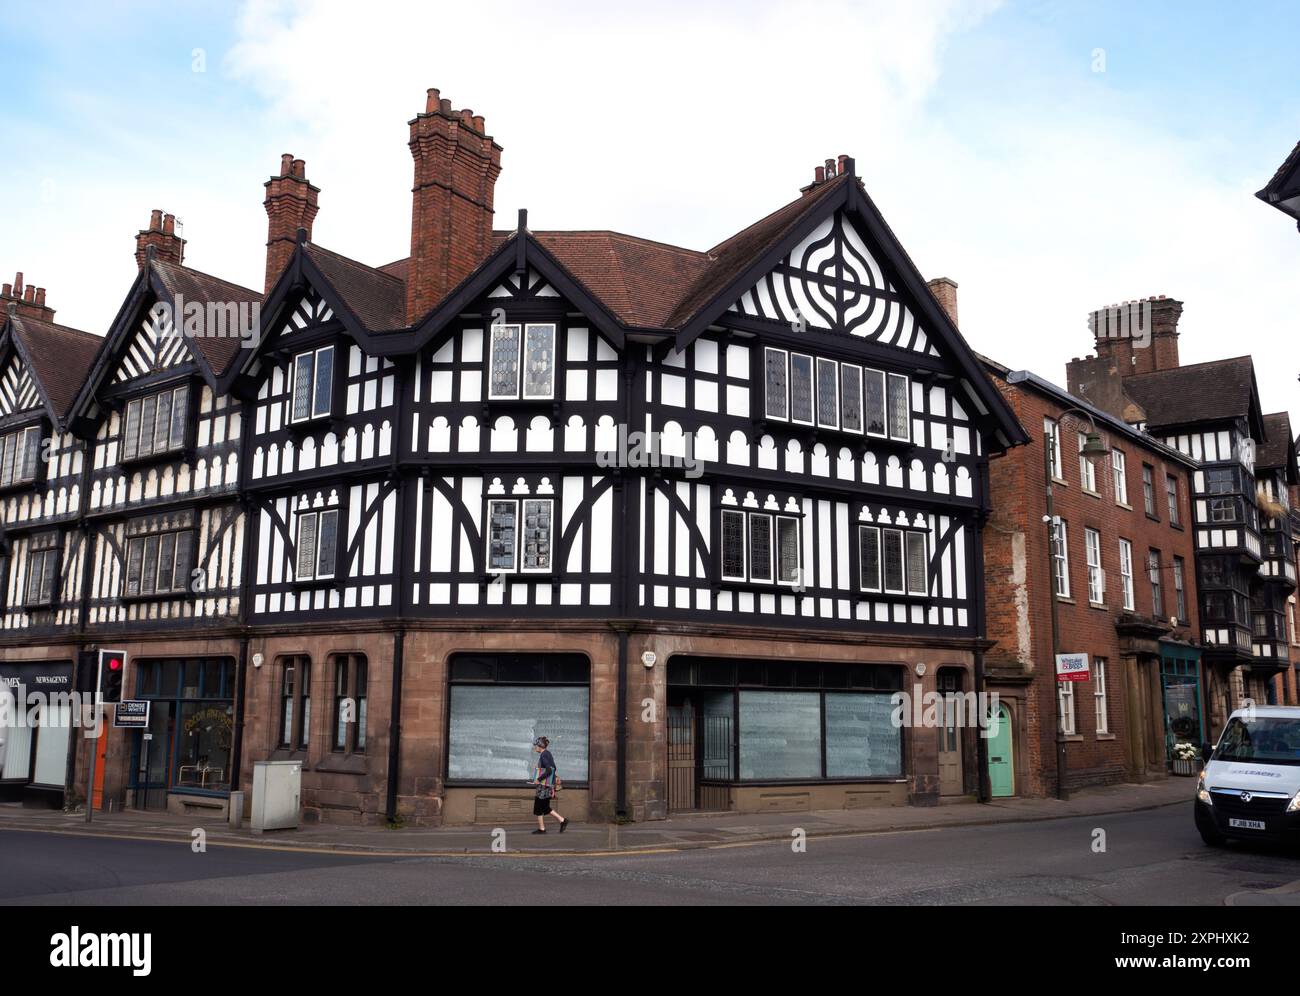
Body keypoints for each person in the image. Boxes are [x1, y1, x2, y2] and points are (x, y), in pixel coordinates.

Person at [531, 736, 569, 834]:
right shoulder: (548, 754)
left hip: (543, 786)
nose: (535, 747)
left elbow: (549, 770)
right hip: (548, 785)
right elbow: (554, 768)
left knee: (539, 807)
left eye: (536, 746)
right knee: (544, 807)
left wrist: (538, 779)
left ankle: (542, 829)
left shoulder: (543, 755)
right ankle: (562, 820)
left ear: (540, 746)